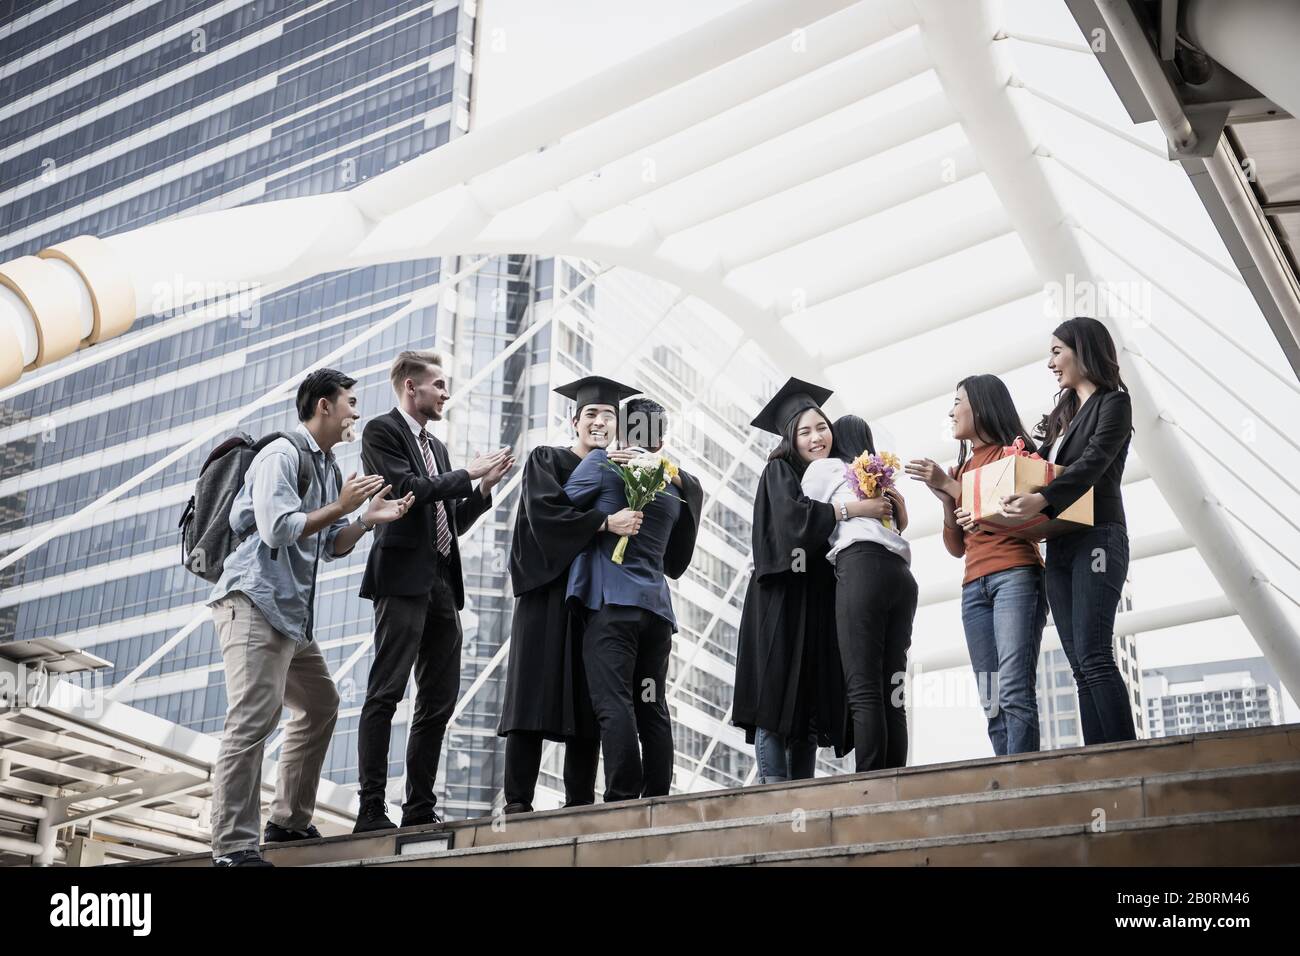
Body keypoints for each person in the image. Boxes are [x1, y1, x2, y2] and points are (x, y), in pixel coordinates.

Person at [207, 369, 414, 866]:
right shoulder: (280, 455)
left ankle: (286, 822)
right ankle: (233, 847)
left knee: (321, 704)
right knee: (252, 720)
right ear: (324, 406)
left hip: (292, 619)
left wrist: (363, 519)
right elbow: (279, 530)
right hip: (254, 604)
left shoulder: (324, 467)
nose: (356, 413)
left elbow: (329, 543)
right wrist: (342, 505)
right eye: (350, 402)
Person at [353, 350, 512, 832]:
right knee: (386, 693)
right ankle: (370, 808)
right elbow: (408, 491)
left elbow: (449, 519)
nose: (446, 393)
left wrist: (482, 490)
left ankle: (419, 806)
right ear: (410, 388)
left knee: (438, 701)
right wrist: (467, 473)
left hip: (444, 583)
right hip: (402, 581)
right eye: (439, 384)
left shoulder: (437, 447)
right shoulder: (381, 432)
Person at [496, 376, 643, 813]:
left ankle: (578, 802)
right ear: (573, 420)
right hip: (546, 594)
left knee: (588, 697)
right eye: (591, 414)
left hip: (593, 601)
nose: (600, 422)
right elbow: (544, 514)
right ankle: (518, 804)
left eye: (609, 416)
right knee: (531, 694)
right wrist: (604, 522)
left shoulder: (624, 471)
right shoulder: (547, 459)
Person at [998, 317, 1137, 745]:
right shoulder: (1063, 416)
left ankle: (1125, 760)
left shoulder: (1114, 403)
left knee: (1095, 654)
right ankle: (1100, 760)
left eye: (1057, 351)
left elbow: (1093, 463)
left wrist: (1041, 499)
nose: (1051, 362)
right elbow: (1036, 468)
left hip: (1098, 537)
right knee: (1078, 663)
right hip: (1061, 542)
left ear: (1084, 350)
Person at [563, 396, 703, 801]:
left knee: (613, 701)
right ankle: (657, 795)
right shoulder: (673, 484)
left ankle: (621, 796)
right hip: (657, 613)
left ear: (624, 429)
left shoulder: (602, 463)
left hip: (613, 606)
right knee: (651, 703)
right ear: (660, 439)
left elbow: (559, 508)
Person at [906, 375, 1048, 756]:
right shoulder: (962, 470)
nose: (951, 412)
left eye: (958, 401)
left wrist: (952, 489)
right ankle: (1005, 779)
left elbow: (1028, 522)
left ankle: (1022, 786)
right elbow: (955, 546)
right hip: (974, 587)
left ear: (981, 406)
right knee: (992, 699)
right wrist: (946, 500)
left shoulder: (1013, 454)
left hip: (1016, 576)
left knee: (1014, 689)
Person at [732, 378, 863, 783]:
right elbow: (795, 523)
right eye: (804, 431)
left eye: (821, 427)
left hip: (816, 596)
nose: (816, 437)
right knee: (774, 699)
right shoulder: (779, 470)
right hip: (780, 601)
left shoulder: (838, 473)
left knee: (807, 702)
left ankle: (801, 794)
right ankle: (775, 794)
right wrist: (850, 508)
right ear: (791, 437)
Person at [802, 414, 914, 772]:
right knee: (891, 690)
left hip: (861, 565)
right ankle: (895, 780)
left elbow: (803, 516)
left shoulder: (825, 469)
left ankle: (869, 785)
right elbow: (901, 524)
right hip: (900, 574)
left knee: (863, 687)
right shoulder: (884, 483)